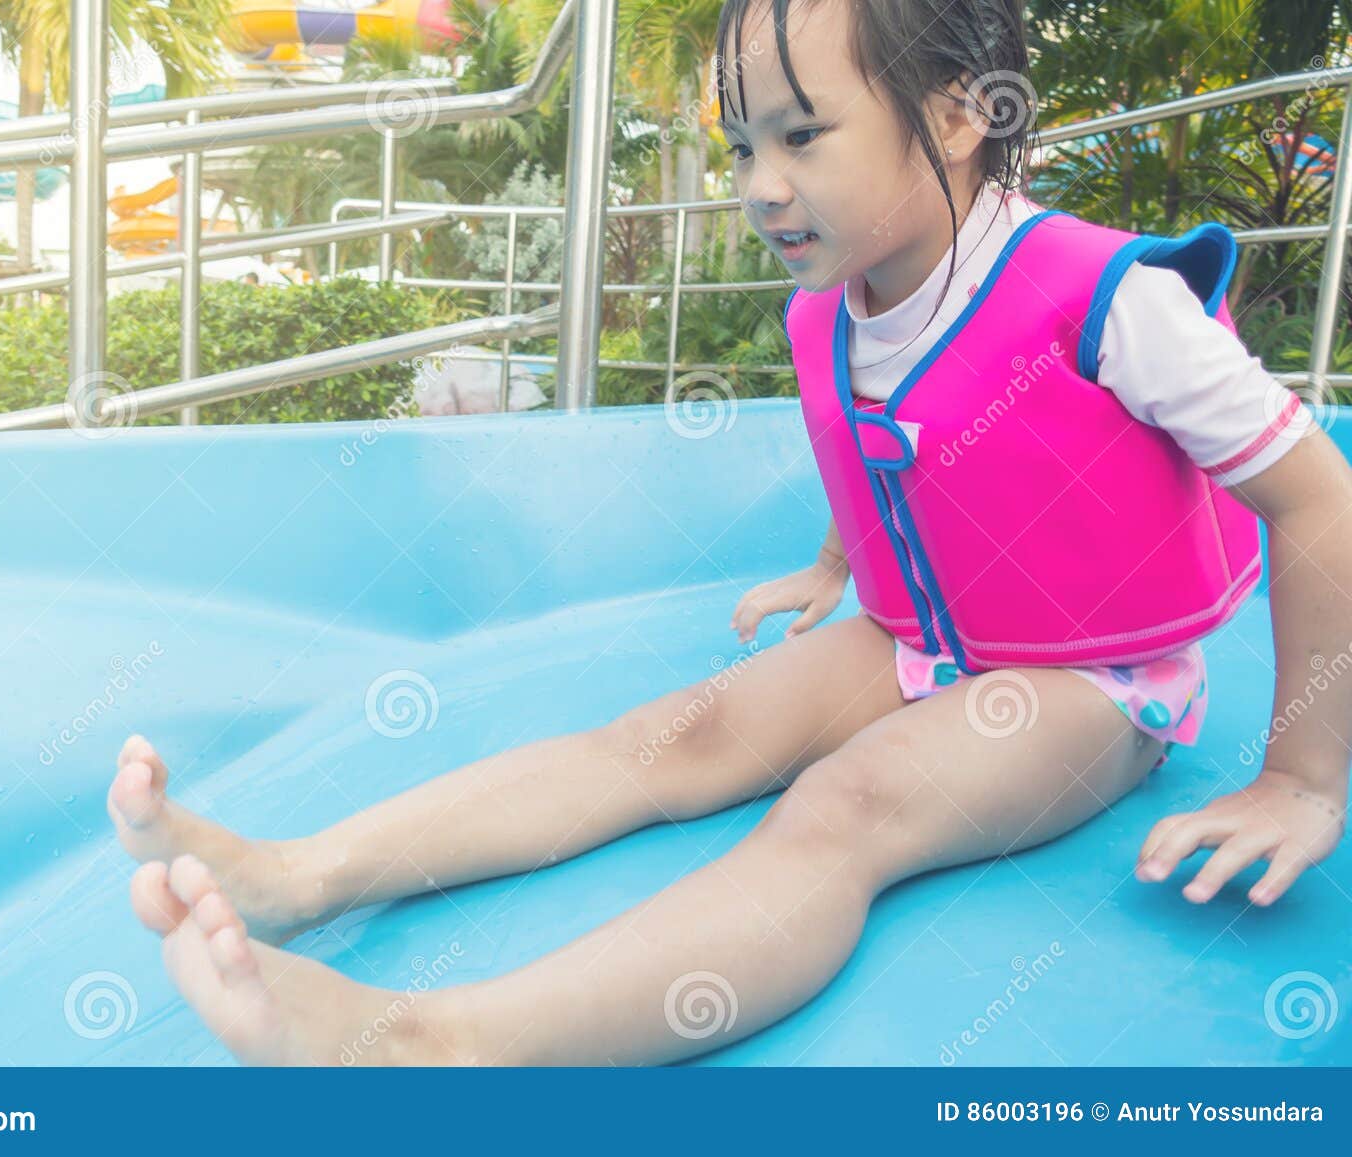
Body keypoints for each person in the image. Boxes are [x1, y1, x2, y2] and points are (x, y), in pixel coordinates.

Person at [108, 0, 1352, 1065]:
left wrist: (1299, 778)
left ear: (966, 113)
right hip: (919, 627)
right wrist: (837, 563)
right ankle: (300, 873)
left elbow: (1316, 495)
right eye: (744, 141)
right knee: (674, 733)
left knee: (847, 804)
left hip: (1088, 674)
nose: (761, 183)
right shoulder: (842, 299)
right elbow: (910, 439)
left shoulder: (1108, 299)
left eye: (803, 135)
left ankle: (439, 1042)